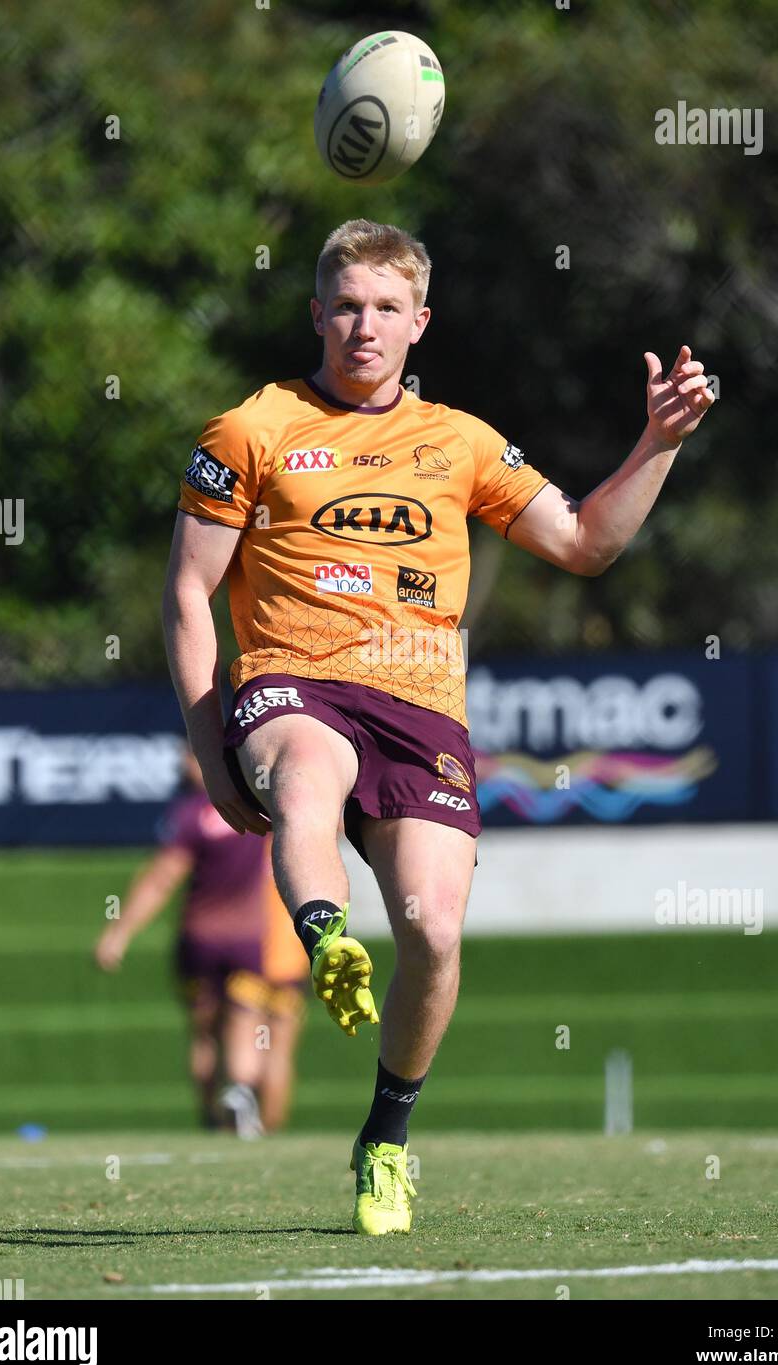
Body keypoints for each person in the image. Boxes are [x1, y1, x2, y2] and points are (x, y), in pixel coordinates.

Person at [162, 218, 715, 1232]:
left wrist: (657, 442)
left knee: (432, 925)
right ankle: (326, 933)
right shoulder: (249, 429)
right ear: (315, 313)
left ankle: (384, 1141)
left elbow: (586, 543)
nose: (362, 327)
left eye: (384, 309)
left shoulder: (460, 442)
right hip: (295, 679)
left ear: (419, 321)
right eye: (344, 305)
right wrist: (208, 747)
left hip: (420, 708)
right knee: (304, 774)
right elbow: (188, 596)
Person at [94, 749, 307, 1136]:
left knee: (204, 1031)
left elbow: (161, 878)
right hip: (250, 940)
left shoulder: (190, 814)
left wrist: (118, 933)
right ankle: (243, 1095)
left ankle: (212, 1118)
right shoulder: (262, 807)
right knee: (250, 1025)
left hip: (199, 939)